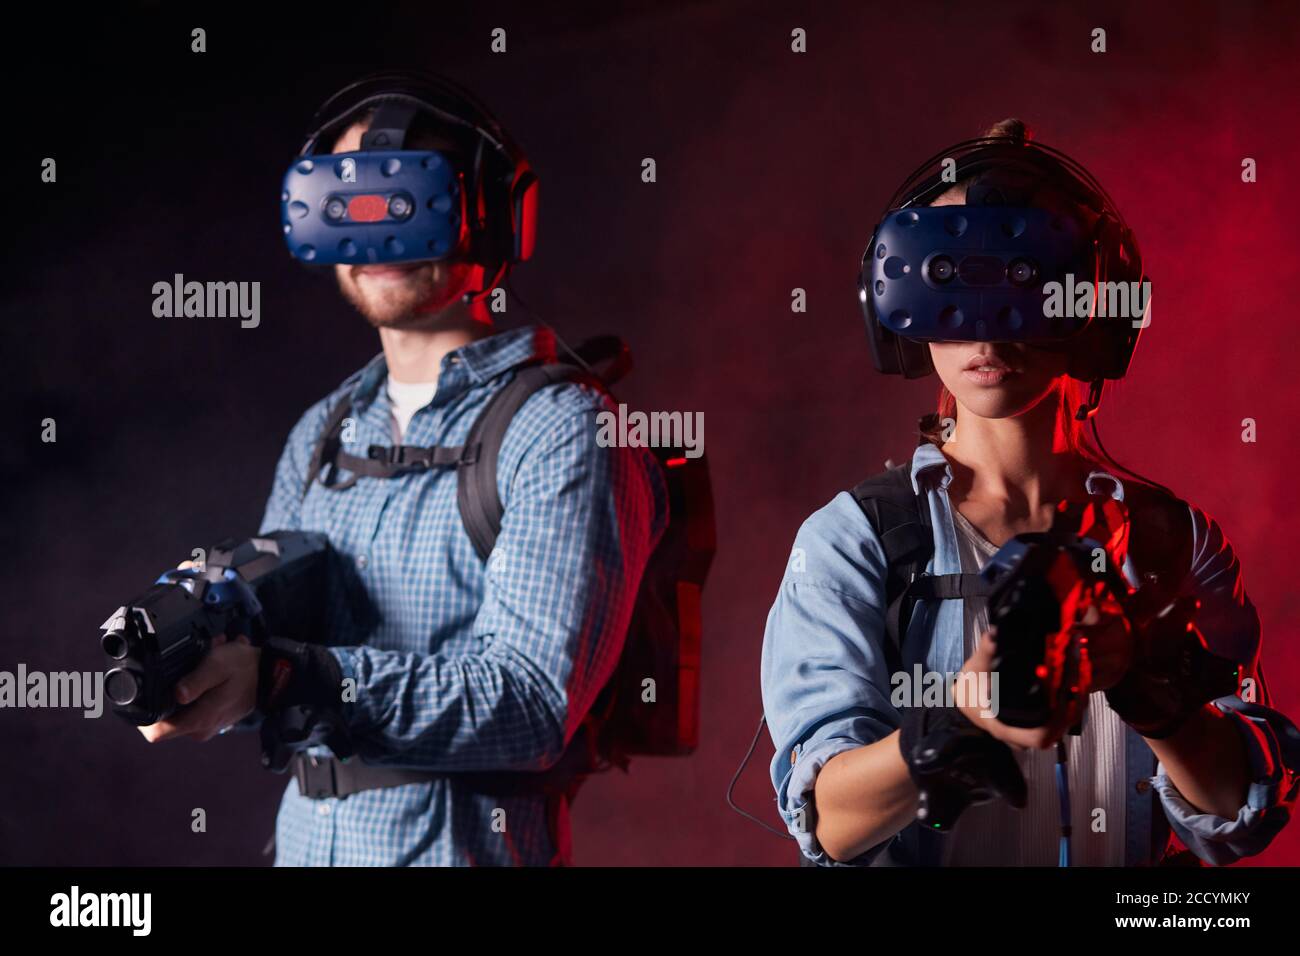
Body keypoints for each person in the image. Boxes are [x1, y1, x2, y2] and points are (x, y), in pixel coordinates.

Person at [137, 71, 667, 866]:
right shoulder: (324, 429)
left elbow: (528, 704)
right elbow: (275, 653)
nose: (378, 234)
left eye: (411, 201)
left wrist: (285, 679)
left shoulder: (563, 430)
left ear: (494, 213)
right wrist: (206, 668)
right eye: (345, 207)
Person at [760, 119, 1297, 866]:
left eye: (1023, 278)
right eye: (945, 278)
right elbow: (826, 820)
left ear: (1095, 301)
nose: (986, 331)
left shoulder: (1171, 542)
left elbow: (1240, 818)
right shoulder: (856, 540)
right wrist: (951, 724)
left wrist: (1158, 698)